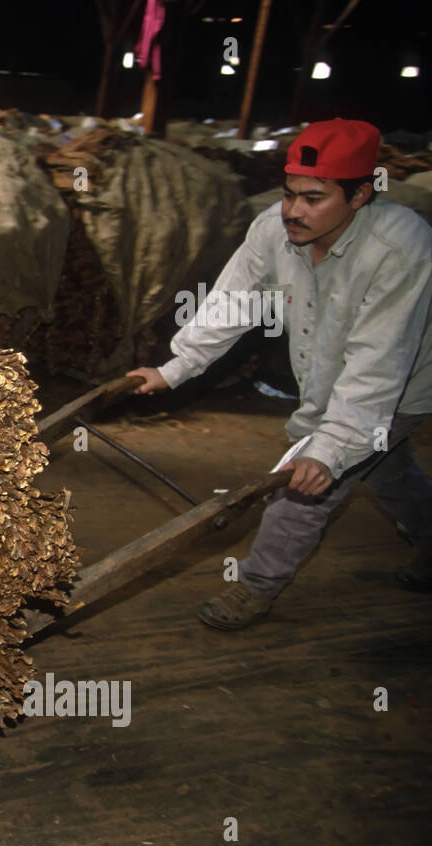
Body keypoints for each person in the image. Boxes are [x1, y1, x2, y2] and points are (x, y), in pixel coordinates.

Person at [127, 117, 432, 630]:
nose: (293, 210)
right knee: (387, 471)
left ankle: (255, 587)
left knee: (305, 485)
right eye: (290, 194)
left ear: (359, 197)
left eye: (314, 198)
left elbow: (377, 362)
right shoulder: (274, 228)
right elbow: (232, 303)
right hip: (338, 380)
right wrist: (175, 368)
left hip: (399, 386)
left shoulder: (400, 250)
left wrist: (328, 447)